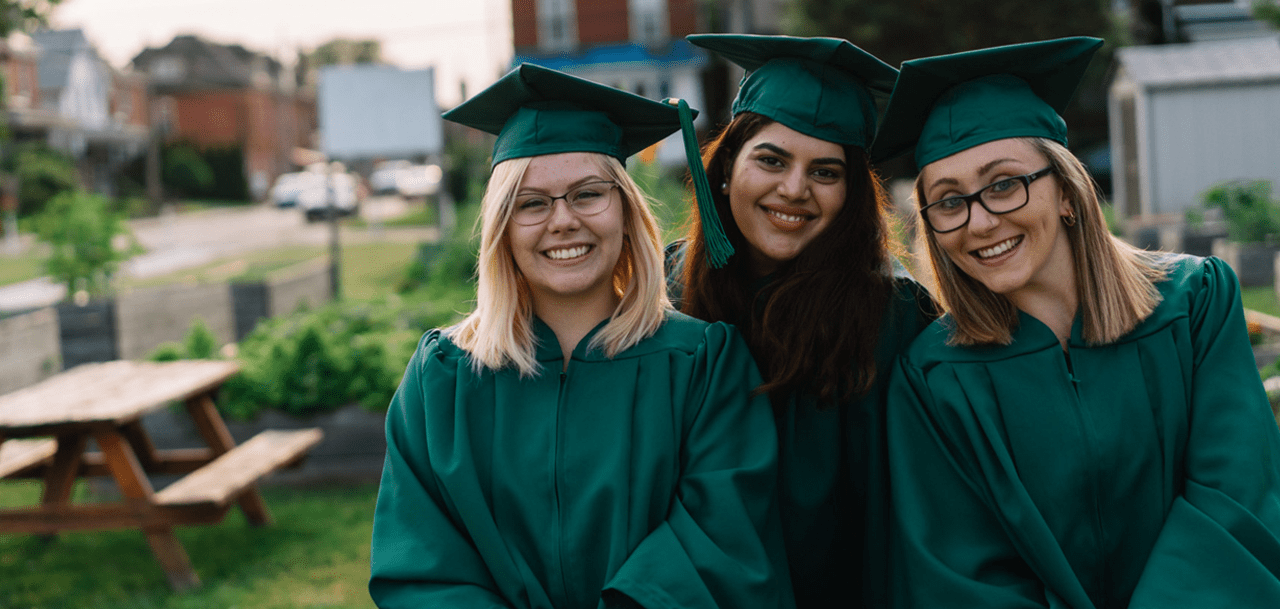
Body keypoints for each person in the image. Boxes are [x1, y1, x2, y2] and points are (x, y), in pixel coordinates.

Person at [870, 36, 1280, 607]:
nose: (981, 221)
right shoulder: (934, 377)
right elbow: (959, 573)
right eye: (948, 200)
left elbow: (1235, 499)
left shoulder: (1194, 302)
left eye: (1004, 184)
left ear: (1065, 190)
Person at [368, 64, 794, 609]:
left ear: (624, 211)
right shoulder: (443, 380)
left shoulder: (702, 365)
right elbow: (423, 559)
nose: (563, 221)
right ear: (502, 225)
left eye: (588, 194)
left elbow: (720, 537)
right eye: (532, 203)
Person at [667, 34, 940, 608]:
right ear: (725, 168)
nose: (794, 189)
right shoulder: (665, 294)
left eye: (826, 171)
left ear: (851, 195)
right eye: (771, 160)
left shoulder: (896, 319)